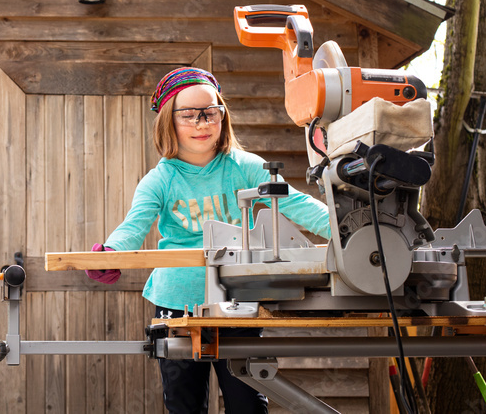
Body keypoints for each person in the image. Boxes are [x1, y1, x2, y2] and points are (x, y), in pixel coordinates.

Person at [86, 67, 331, 414]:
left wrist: (344, 232)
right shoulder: (159, 180)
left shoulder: (245, 167)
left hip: (238, 302)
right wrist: (110, 254)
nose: (201, 123)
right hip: (177, 305)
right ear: (169, 121)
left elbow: (296, 203)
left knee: (247, 403)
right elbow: (134, 225)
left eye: (210, 113)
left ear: (222, 117)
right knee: (184, 405)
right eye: (188, 115)